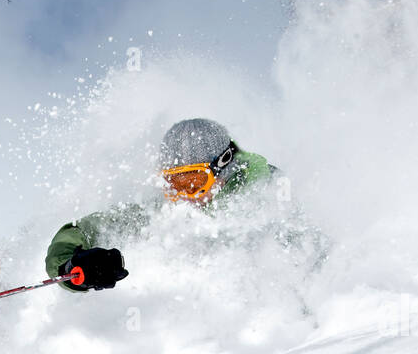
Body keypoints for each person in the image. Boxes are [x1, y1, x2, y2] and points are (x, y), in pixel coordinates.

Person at [45, 118, 280, 292]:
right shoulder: (165, 213)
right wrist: (72, 265)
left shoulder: (269, 195)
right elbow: (80, 231)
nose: (184, 197)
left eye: (193, 181)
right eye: (174, 183)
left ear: (223, 169)